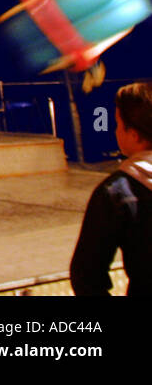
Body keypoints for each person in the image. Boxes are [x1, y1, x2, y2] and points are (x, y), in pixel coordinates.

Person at [70, 82, 152, 295]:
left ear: (133, 134)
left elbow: (86, 275)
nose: (115, 130)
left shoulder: (116, 193)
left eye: (117, 123)